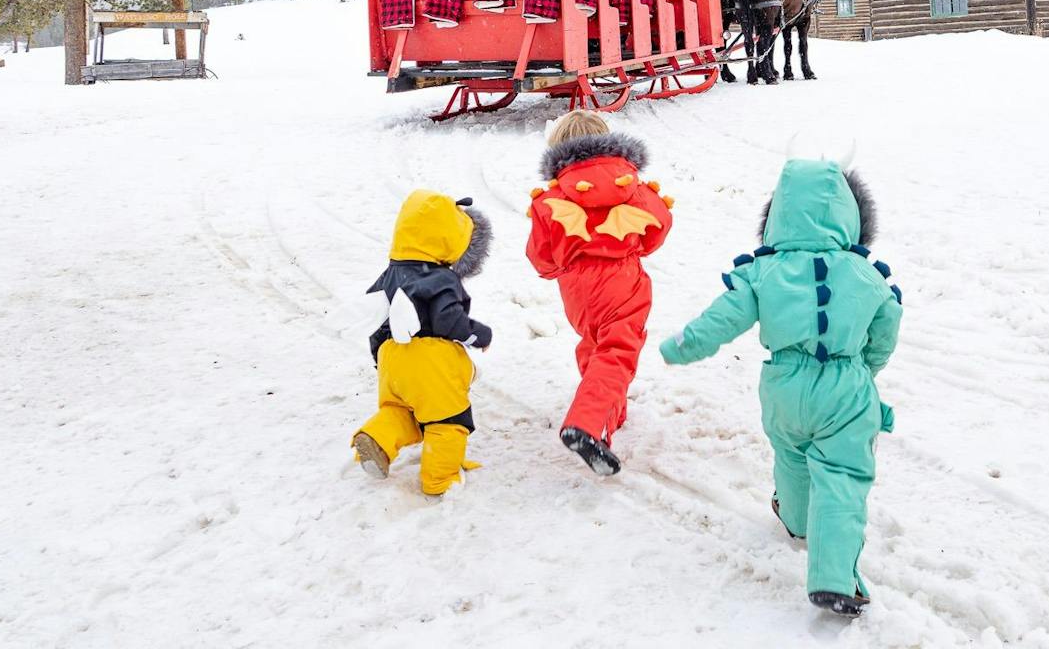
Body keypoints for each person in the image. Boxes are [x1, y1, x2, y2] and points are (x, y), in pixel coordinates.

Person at [659, 159, 901, 619]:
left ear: (777, 215)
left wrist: (682, 346)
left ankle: (795, 519)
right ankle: (835, 578)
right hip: (844, 388)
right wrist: (866, 369)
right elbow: (887, 326)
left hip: (782, 387)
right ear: (850, 215)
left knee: (792, 456)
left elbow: (722, 318)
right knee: (842, 479)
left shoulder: (761, 272)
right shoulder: (866, 273)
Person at [526, 110, 674, 474]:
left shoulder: (552, 199)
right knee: (617, 351)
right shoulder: (631, 186)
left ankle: (607, 419)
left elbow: (540, 257)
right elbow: (658, 225)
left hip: (576, 289)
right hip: (622, 281)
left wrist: (562, 268)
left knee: (595, 345)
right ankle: (586, 423)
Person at [351, 190, 493, 495]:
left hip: (392, 358)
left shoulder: (389, 275)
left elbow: (376, 320)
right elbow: (448, 321)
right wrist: (480, 334)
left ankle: (376, 438)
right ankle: (440, 479)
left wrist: (382, 359)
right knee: (448, 421)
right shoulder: (440, 278)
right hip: (431, 363)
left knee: (401, 412)